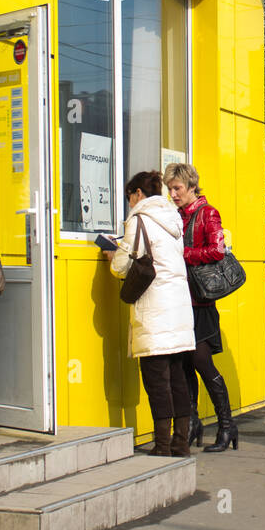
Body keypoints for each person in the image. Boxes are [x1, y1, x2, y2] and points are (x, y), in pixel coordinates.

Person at [108, 171, 194, 456]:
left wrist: (112, 255)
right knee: (178, 377)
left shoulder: (140, 219)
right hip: (179, 309)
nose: (129, 202)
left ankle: (163, 444)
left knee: (157, 380)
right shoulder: (173, 220)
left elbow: (121, 266)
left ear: (138, 194)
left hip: (155, 311)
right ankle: (181, 442)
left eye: (129, 196)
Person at [165, 162, 239, 452]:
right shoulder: (178, 216)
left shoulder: (207, 213)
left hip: (201, 302)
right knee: (183, 364)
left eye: (177, 188)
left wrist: (184, 254)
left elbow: (218, 250)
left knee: (201, 363)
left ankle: (226, 425)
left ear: (192, 186)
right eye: (170, 189)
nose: (173, 194)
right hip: (183, 299)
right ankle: (193, 421)